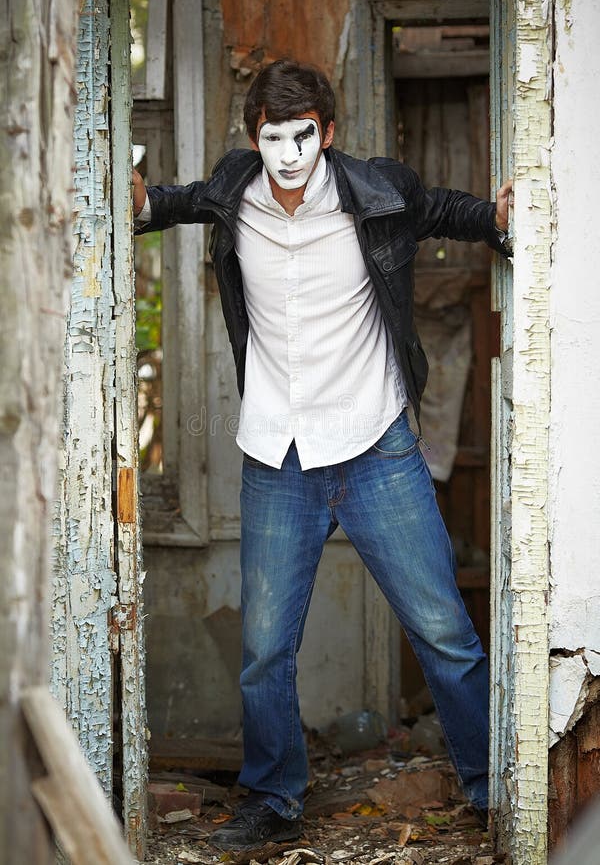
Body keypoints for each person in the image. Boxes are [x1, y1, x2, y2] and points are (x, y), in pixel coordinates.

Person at [133, 59, 512, 852]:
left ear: (329, 134)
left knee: (444, 631)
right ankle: (273, 799)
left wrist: (501, 218)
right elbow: (171, 203)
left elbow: (447, 209)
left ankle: (491, 789)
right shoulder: (234, 188)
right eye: (273, 137)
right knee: (265, 650)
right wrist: (134, 202)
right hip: (278, 456)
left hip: (376, 445)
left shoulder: (379, 190)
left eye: (304, 135)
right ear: (253, 139)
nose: (289, 153)